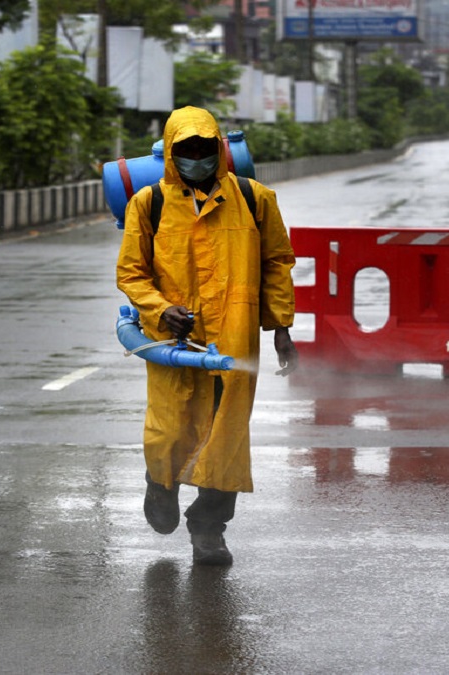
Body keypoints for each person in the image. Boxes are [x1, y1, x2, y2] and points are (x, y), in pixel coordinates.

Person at [116, 106, 299, 566]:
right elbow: (132, 273)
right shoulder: (148, 204)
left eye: (205, 149)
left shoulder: (255, 199)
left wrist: (282, 329)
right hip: (174, 344)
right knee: (169, 426)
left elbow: (277, 263)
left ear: (220, 149)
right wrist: (161, 309)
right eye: (186, 150)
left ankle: (209, 527)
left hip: (234, 340)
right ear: (172, 154)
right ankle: (160, 485)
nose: (196, 157)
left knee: (226, 437)